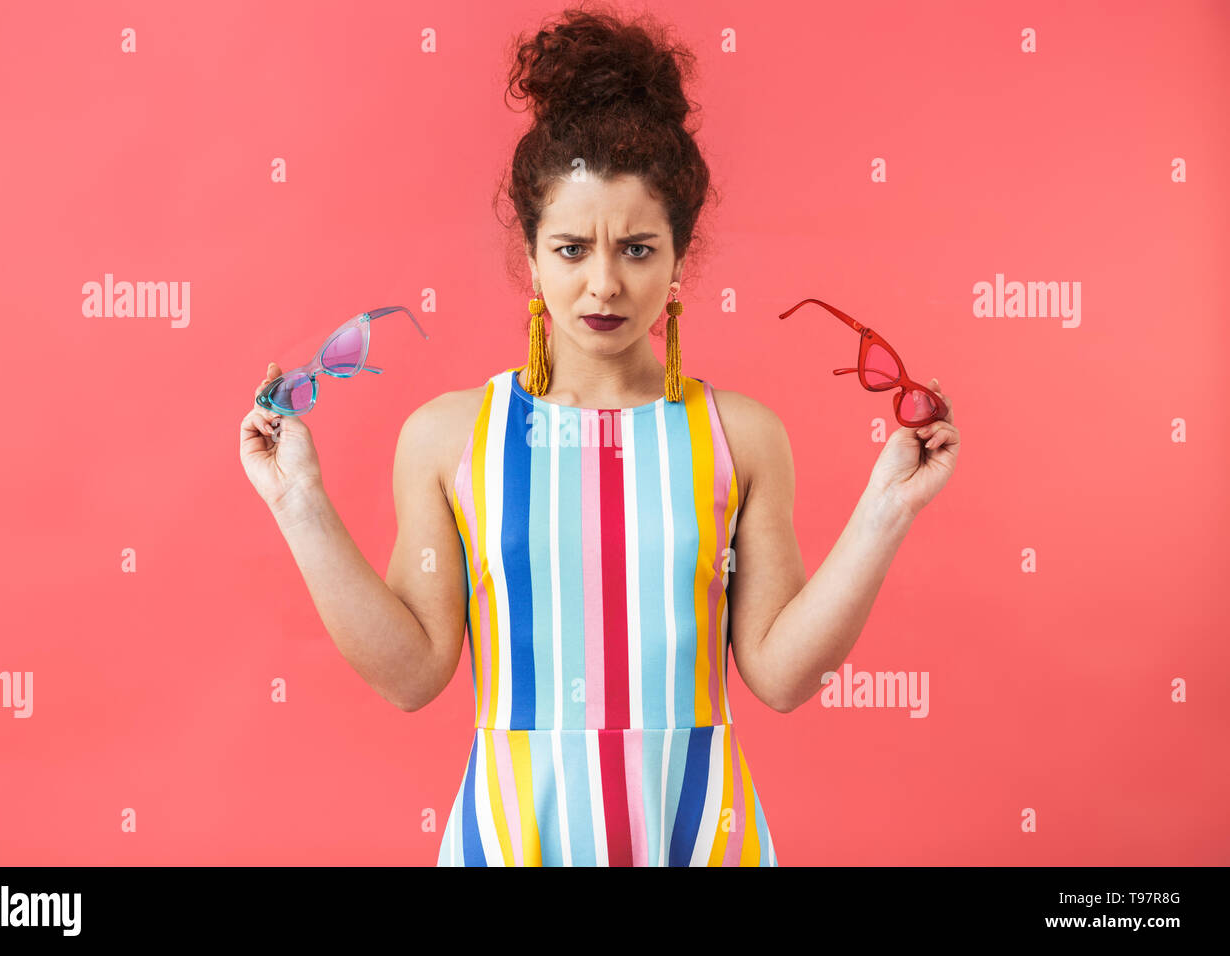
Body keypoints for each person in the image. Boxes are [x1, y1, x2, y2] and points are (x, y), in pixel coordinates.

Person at [238, 5, 960, 866]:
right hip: (514, 836)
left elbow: (779, 675)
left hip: (702, 834)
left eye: (639, 249)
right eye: (573, 248)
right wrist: (300, 504)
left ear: (680, 259)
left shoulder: (740, 437)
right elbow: (412, 674)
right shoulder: (449, 438)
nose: (604, 283)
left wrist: (887, 509)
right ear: (533, 258)